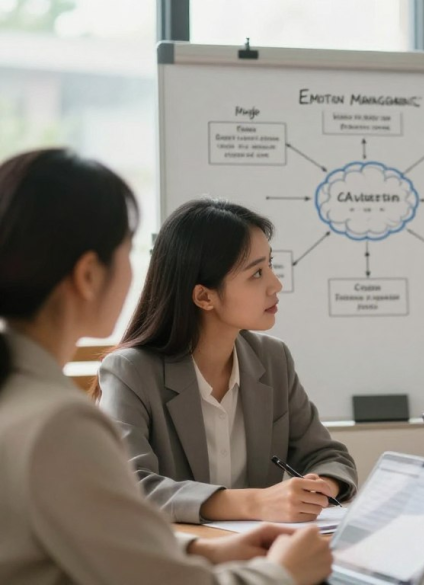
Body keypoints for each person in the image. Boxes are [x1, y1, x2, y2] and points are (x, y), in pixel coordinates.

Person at [0, 148, 331, 585]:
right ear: (87, 275)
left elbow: (99, 533)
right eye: (128, 249)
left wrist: (203, 550)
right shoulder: (60, 423)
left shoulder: (21, 398)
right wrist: (282, 573)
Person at [98, 198, 358, 524]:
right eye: (257, 273)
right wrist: (254, 503)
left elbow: (328, 455)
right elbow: (128, 486)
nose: (275, 284)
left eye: (271, 265)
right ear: (204, 296)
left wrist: (320, 485)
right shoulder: (130, 372)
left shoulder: (273, 358)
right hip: (178, 558)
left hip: (262, 553)